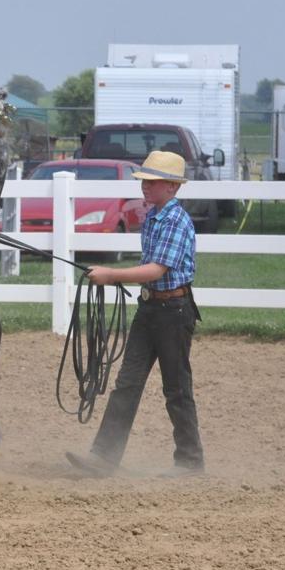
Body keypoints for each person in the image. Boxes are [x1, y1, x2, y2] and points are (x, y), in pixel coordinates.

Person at [65, 150, 204, 478]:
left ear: (171, 187)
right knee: (126, 383)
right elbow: (150, 270)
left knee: (176, 387)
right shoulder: (154, 217)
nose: (144, 186)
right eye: (144, 181)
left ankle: (190, 460)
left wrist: (111, 275)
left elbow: (156, 270)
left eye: (151, 182)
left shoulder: (174, 220)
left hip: (173, 310)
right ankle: (104, 457)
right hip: (152, 308)